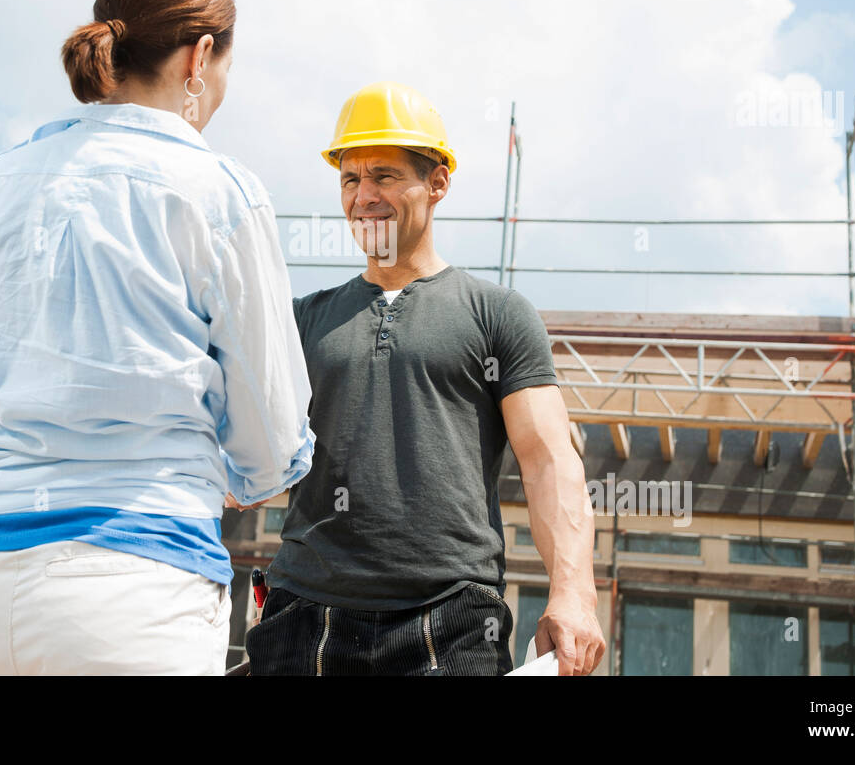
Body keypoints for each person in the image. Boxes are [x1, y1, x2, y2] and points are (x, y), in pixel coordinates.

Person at [0, 0, 314, 675]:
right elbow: (272, 453)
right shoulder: (218, 192)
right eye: (222, 75)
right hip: (140, 599)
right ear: (200, 57)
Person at [245, 81, 604, 675]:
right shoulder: (301, 320)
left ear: (437, 182)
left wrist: (574, 594)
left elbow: (549, 461)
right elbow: (249, 452)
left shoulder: (497, 314)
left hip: (454, 621)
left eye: (383, 177)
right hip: (305, 618)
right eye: (350, 180)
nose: (364, 197)